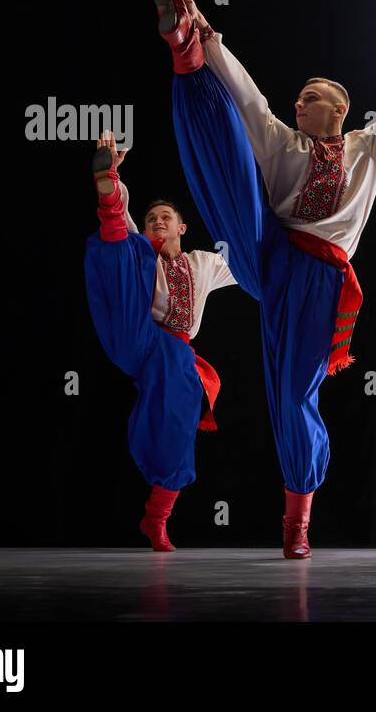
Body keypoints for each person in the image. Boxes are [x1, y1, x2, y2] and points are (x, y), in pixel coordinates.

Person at [153, 0, 376, 558]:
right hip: (269, 251)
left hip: (320, 280)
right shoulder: (283, 141)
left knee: (292, 395)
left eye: (311, 97)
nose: (298, 103)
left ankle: (297, 521)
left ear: (339, 108)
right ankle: (185, 50)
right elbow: (248, 97)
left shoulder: (369, 146)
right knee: (235, 158)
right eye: (299, 98)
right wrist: (209, 34)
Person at [83, 130, 236, 551]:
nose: (157, 222)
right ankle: (107, 192)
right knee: (126, 246)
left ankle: (156, 518)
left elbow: (248, 266)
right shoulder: (143, 249)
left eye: (165, 217)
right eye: (152, 218)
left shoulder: (203, 263)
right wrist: (113, 180)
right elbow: (130, 233)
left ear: (182, 227)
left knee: (177, 434)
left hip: (176, 356)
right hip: (139, 334)